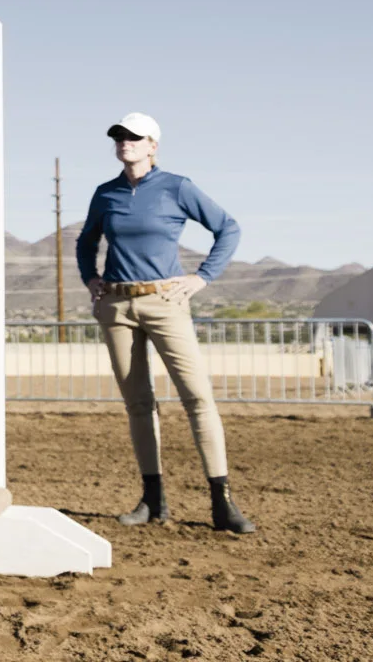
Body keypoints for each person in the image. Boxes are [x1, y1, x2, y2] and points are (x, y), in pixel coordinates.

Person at [76, 112, 256, 534]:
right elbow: (87, 242)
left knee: (197, 396)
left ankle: (222, 502)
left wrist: (200, 277)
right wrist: (91, 280)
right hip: (118, 307)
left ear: (153, 145)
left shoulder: (177, 187)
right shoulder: (106, 194)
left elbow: (227, 228)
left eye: (134, 137)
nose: (125, 142)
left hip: (166, 302)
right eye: (119, 136)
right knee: (138, 404)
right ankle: (153, 501)